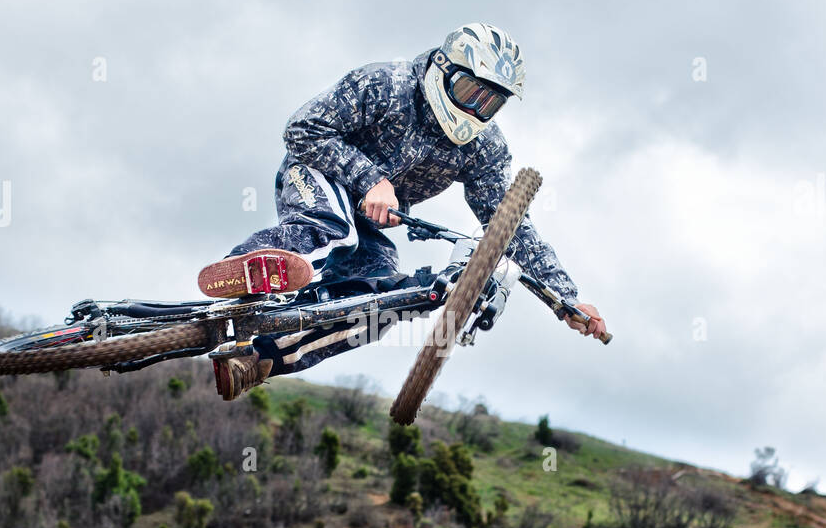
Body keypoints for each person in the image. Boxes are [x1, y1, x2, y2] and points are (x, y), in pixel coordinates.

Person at [198, 23, 607, 400]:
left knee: (382, 301)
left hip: (368, 223)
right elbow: (302, 129)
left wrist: (566, 299)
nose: (474, 110)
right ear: (442, 70)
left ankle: (262, 358)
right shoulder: (385, 85)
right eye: (469, 92)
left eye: (489, 103)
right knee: (336, 228)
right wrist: (369, 179)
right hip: (316, 174)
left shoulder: (483, 148)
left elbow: (510, 228)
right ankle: (241, 272)